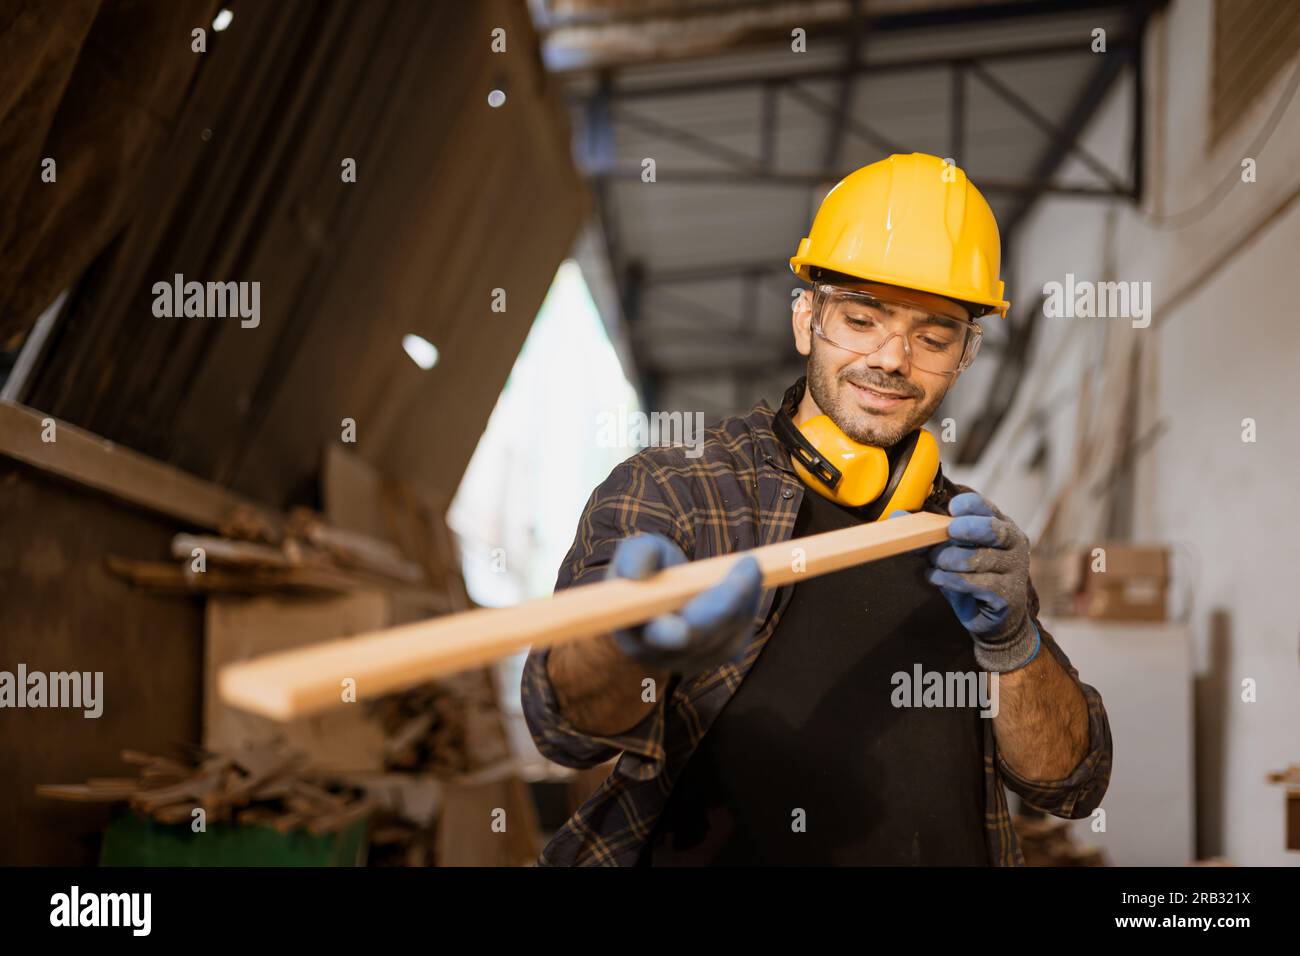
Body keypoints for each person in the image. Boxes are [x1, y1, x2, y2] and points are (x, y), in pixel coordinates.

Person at [522, 152, 1112, 866]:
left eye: (933, 336)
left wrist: (1016, 642)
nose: (894, 359)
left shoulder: (966, 537)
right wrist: (626, 643)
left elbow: (1070, 784)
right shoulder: (681, 491)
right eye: (862, 319)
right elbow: (564, 728)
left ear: (963, 358)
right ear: (807, 321)